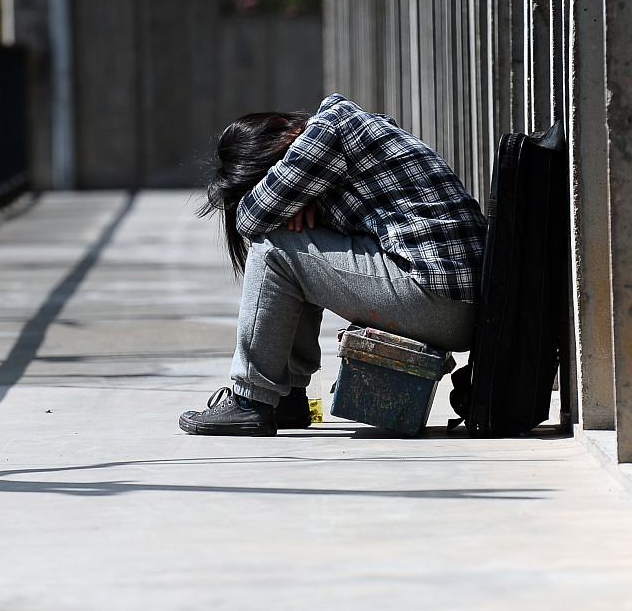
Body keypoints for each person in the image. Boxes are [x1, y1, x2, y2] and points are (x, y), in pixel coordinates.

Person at [179, 93, 487, 436]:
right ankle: (290, 399)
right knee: (301, 245)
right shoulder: (350, 129)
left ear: (279, 142)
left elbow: (250, 220)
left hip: (439, 301)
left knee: (275, 247)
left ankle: (251, 400)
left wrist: (289, 204)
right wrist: (304, 203)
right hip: (462, 306)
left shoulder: (329, 131)